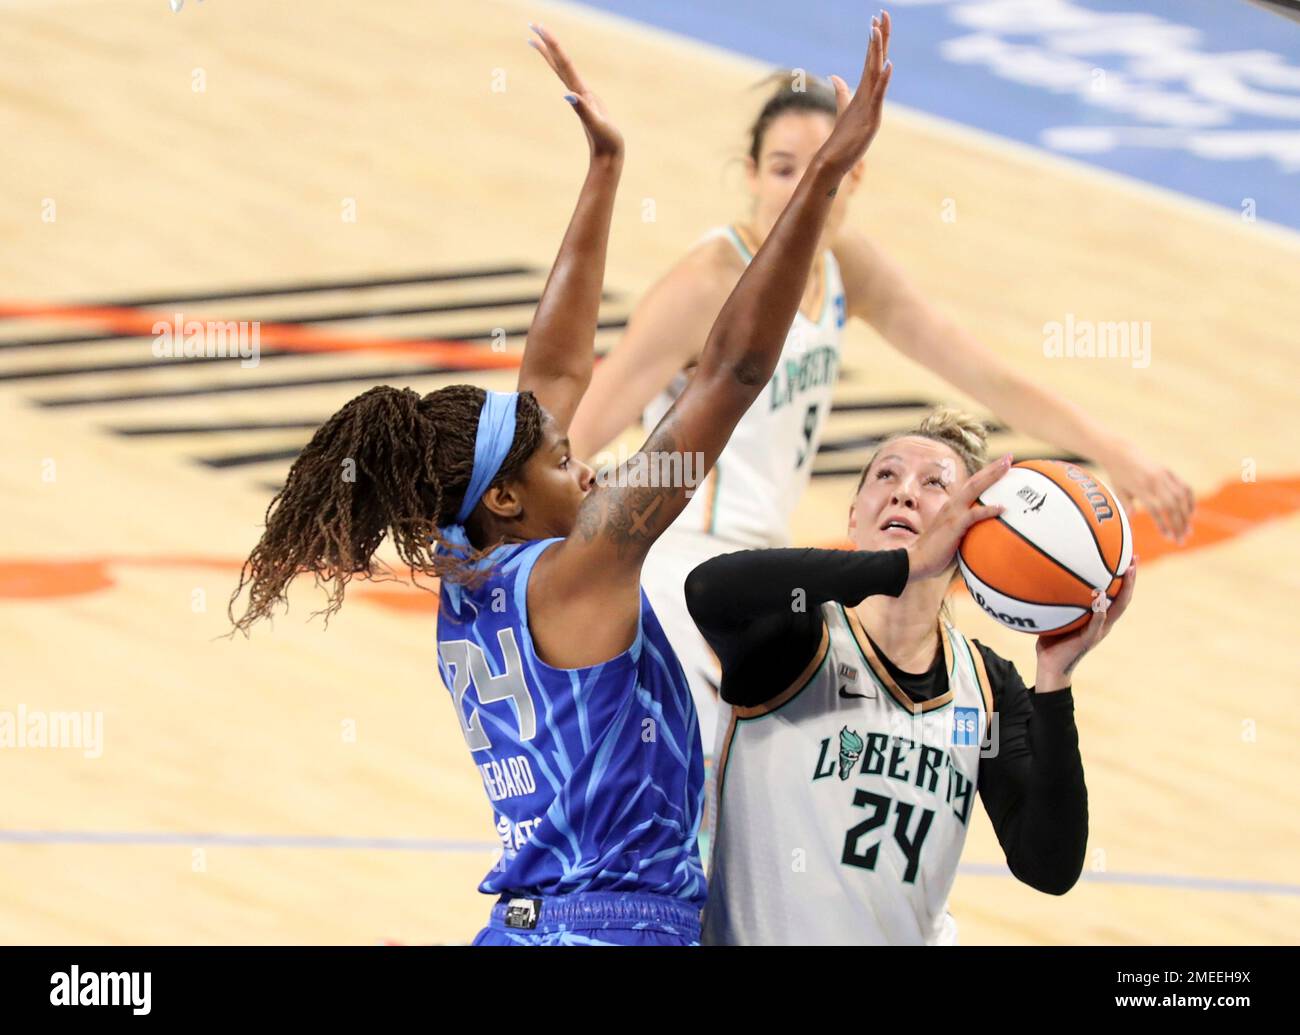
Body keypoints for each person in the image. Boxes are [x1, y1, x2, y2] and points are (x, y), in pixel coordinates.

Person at [228, 20, 895, 945]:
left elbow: (554, 373)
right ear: (506, 495)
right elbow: (730, 377)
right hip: (613, 929)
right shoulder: (584, 566)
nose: (584, 458)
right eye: (558, 459)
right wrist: (818, 187)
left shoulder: (473, 556)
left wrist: (603, 172)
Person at [568, 10, 1187, 757]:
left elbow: (979, 369)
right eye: (780, 168)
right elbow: (581, 429)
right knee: (701, 795)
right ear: (752, 173)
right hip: (680, 564)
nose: (797, 187)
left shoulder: (843, 266)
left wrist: (1112, 449)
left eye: (818, 164)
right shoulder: (707, 281)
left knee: (776, 787)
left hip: (764, 560)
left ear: (852, 169)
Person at [684, 407, 1137, 944]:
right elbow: (708, 590)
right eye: (886, 475)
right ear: (855, 515)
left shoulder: (987, 687)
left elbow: (1049, 866)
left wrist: (1055, 682)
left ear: (973, 526)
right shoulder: (797, 638)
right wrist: (905, 565)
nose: (903, 493)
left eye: (934, 484)